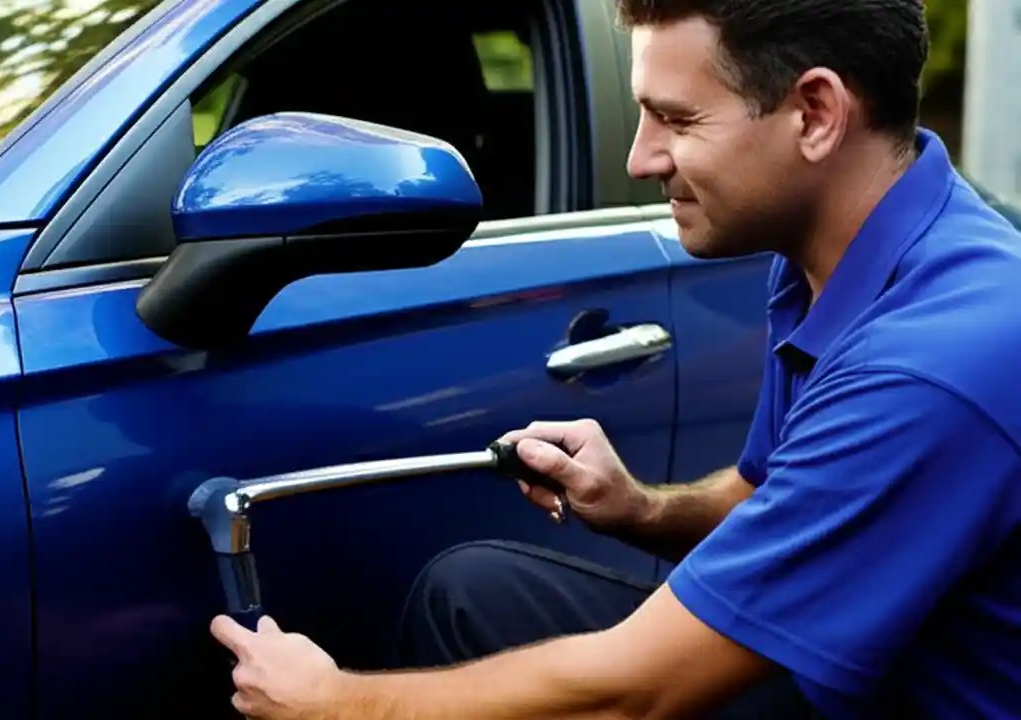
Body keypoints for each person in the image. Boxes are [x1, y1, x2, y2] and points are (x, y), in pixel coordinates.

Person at [209, 0, 1021, 716]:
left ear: (813, 113)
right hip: (875, 666)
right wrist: (642, 509)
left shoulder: (926, 365)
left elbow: (635, 697)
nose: (640, 158)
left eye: (677, 119)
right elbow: (768, 495)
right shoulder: (839, 257)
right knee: (476, 593)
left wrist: (339, 706)